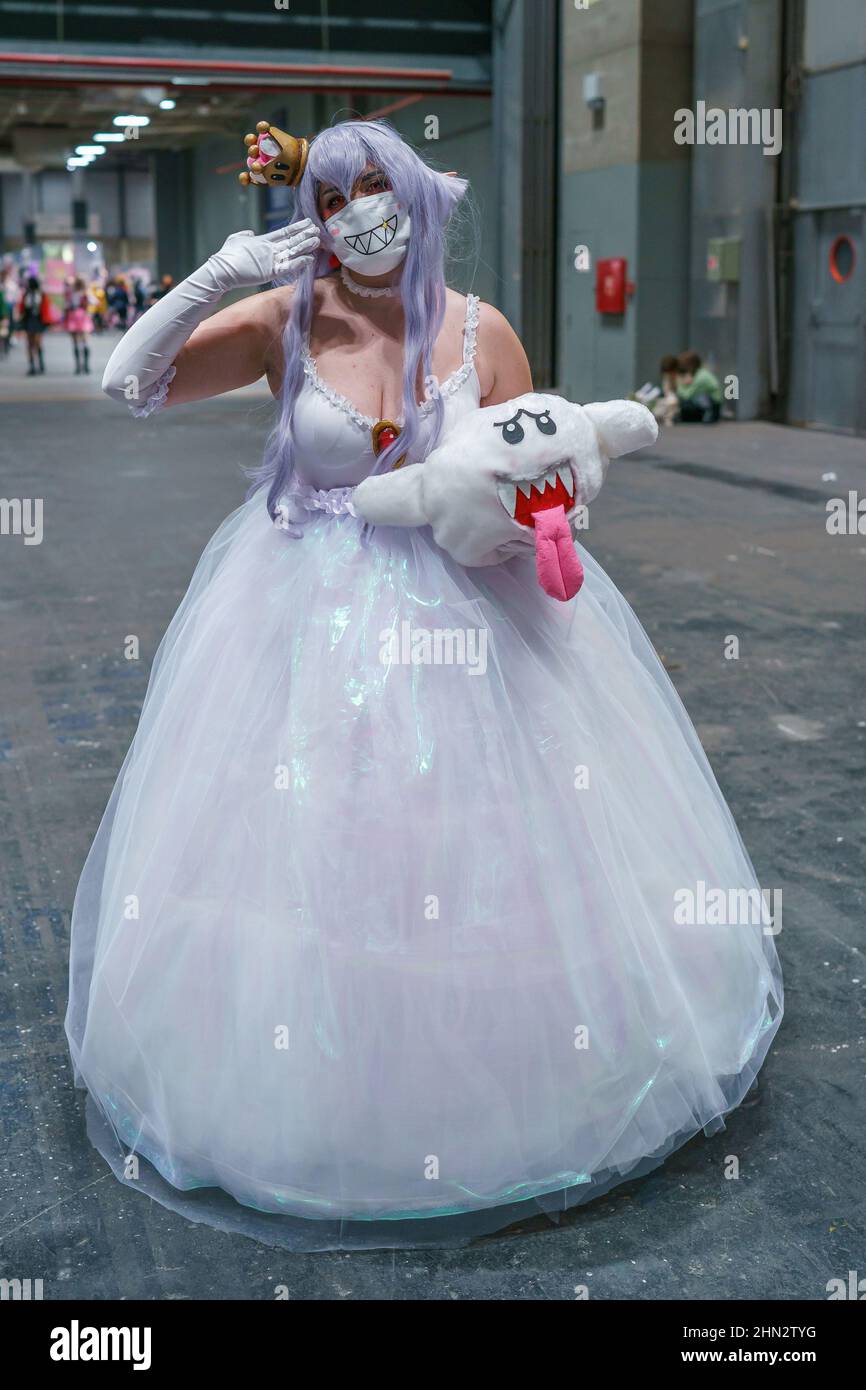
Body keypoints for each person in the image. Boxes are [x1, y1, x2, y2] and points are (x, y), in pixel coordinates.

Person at [65, 119, 781, 1251]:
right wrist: (218, 276)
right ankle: (335, 1097)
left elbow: (534, 471)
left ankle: (518, 1079)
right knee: (324, 849)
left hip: (479, 621)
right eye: (334, 193)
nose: (361, 212)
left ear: (414, 196)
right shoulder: (280, 321)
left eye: (376, 187)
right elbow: (126, 382)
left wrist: (540, 528)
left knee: (491, 848)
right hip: (303, 624)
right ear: (310, 212)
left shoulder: (479, 329)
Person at [16, 274, 51, 374]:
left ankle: (40, 363)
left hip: (38, 320)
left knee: (37, 342)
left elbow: (45, 308)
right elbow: (22, 308)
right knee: (29, 344)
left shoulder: (41, 295)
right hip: (28, 320)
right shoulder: (26, 295)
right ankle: (32, 366)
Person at [676, 349, 722, 423]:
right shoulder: (699, 373)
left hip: (713, 406)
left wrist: (680, 384)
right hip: (710, 404)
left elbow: (687, 395)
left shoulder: (701, 377)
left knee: (690, 401)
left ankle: (709, 415)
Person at [65, 274, 94, 373]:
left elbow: (67, 305)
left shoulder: (72, 294)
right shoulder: (86, 293)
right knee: (85, 341)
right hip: (83, 317)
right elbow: (95, 302)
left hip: (73, 317)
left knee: (75, 342)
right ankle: (86, 366)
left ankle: (78, 366)